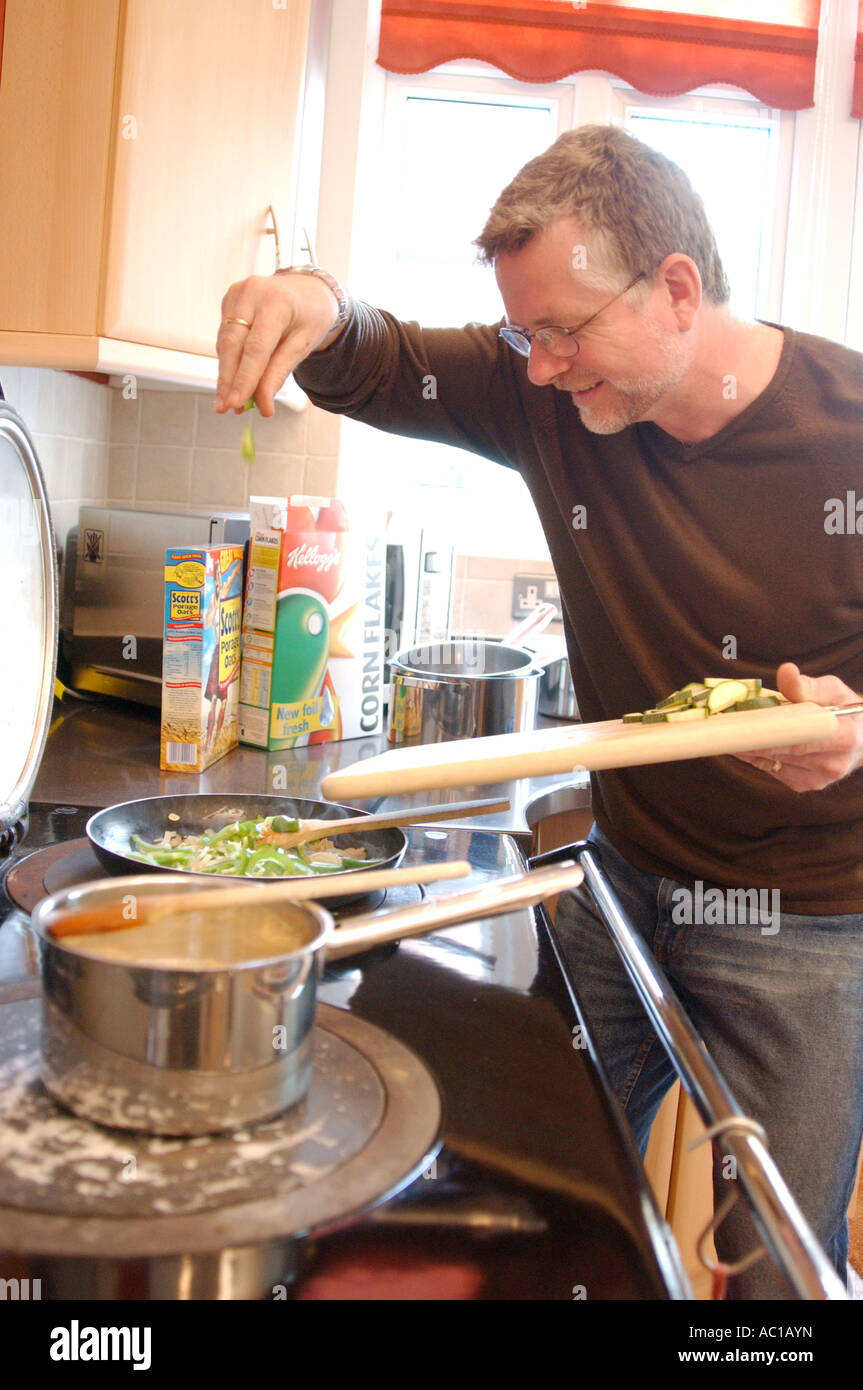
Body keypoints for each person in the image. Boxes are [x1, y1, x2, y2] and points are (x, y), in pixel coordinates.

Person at [214, 125, 863, 1299]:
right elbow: (371, 355)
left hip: (808, 925)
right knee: (501, 1199)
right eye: (525, 334)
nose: (540, 366)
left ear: (675, 286)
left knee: (778, 1275)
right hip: (611, 883)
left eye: (563, 331)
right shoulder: (554, 399)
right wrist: (308, 291)